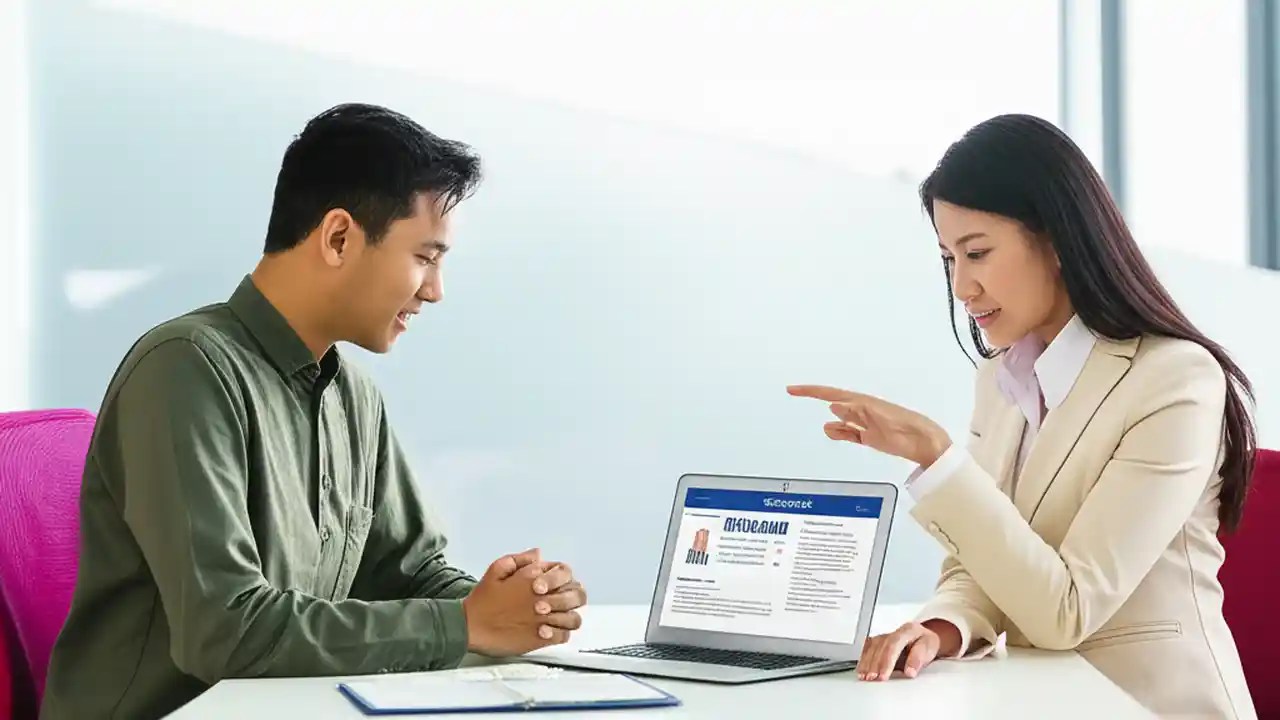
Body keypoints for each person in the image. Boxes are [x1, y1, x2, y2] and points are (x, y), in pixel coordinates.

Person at [41, 103, 587, 719]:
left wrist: (518, 608)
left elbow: (408, 575)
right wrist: (465, 625)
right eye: (425, 257)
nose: (435, 290)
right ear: (338, 238)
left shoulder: (353, 396)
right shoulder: (185, 368)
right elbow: (225, 631)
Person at [788, 114, 1257, 719]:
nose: (962, 286)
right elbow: (981, 566)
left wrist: (938, 457)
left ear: (1057, 240)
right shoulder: (1002, 380)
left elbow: (1066, 611)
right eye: (947, 258)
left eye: (977, 252)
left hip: (1151, 706)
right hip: (1037, 701)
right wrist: (943, 627)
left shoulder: (1175, 380)